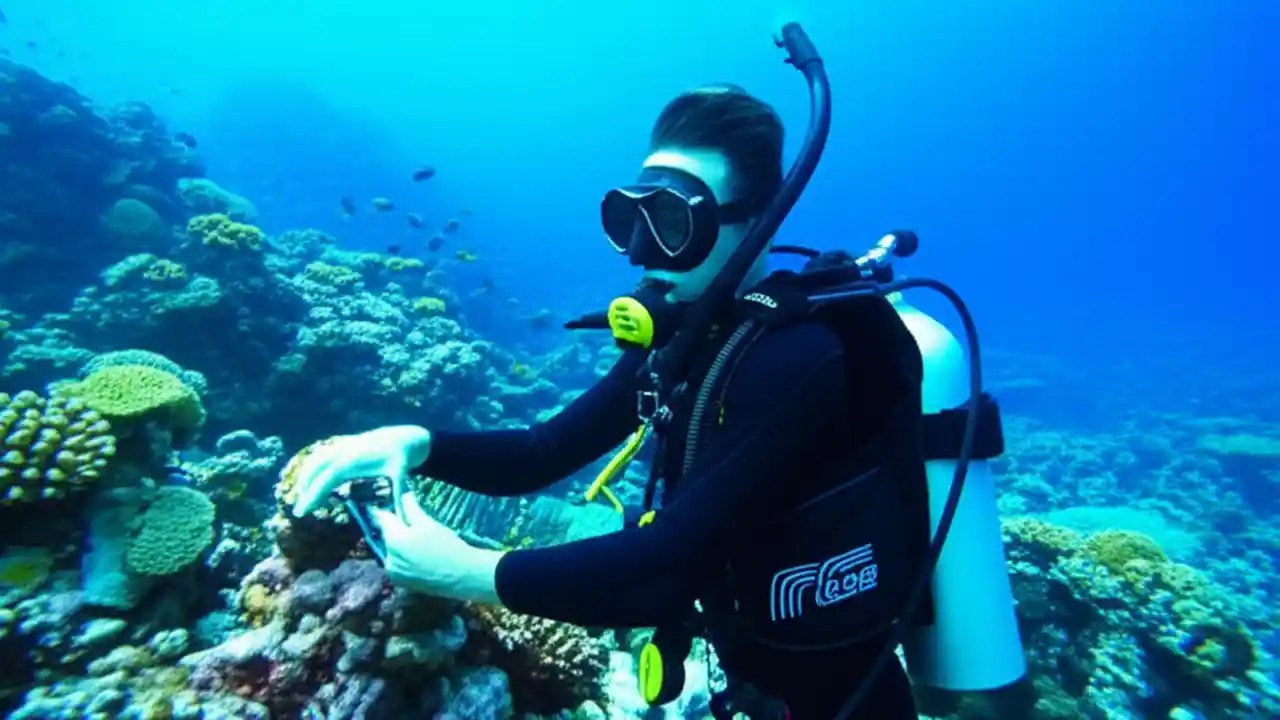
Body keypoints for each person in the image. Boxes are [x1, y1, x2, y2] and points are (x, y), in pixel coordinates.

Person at [287, 85, 1019, 719]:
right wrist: (416, 442)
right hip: (753, 674)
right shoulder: (684, 337)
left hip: (841, 700)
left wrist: (464, 572)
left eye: (674, 224)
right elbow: (544, 451)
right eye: (630, 219)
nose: (643, 254)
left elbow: (664, 567)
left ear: (755, 222)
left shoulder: (799, 361)